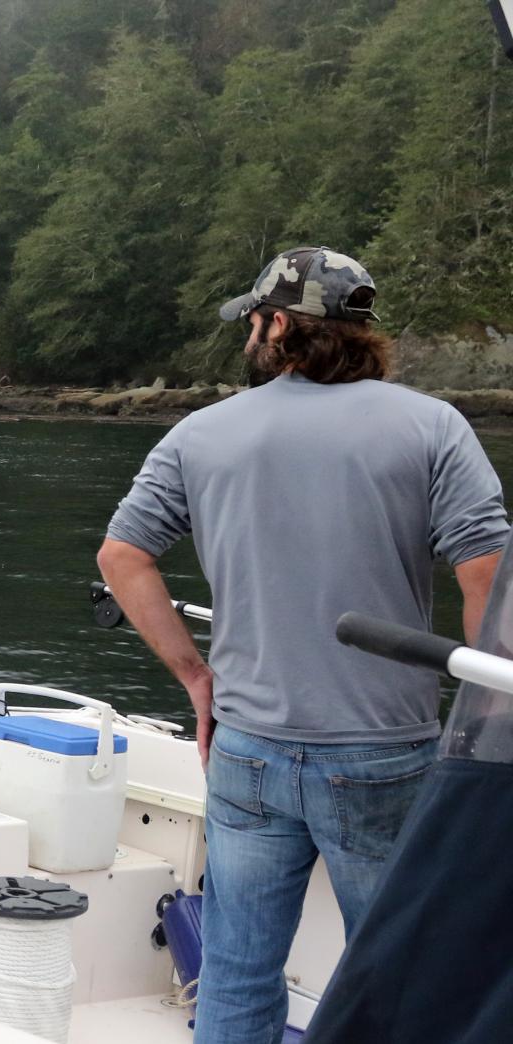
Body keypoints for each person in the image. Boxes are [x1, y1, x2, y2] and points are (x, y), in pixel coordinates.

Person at [96, 246, 508, 1043]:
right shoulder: (434, 427)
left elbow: (122, 557)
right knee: (395, 975)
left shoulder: (201, 433)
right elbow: (487, 576)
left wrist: (194, 676)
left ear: (279, 323)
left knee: (238, 972)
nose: (247, 336)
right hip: (384, 753)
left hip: (246, 749)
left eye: (251, 321)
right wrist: (486, 717)